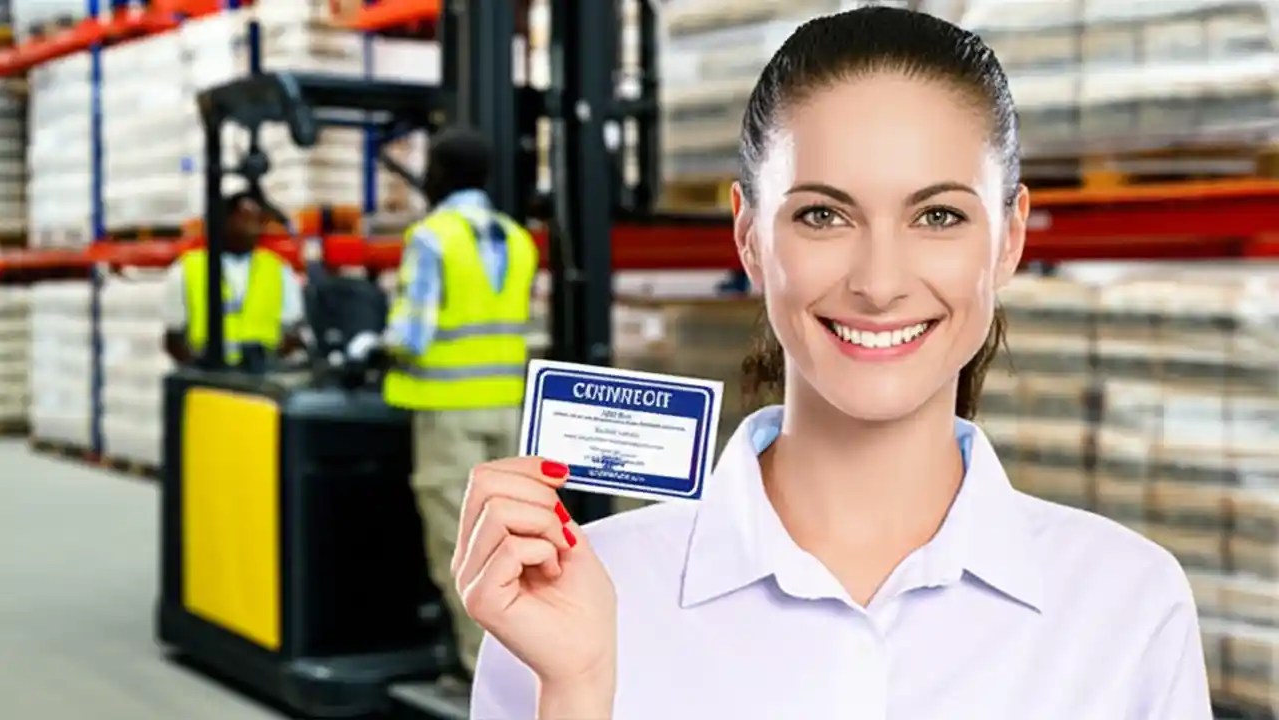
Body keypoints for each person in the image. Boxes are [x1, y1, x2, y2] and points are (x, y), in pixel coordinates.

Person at [456, 8, 1213, 720]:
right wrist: (578, 689)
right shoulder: (577, 602)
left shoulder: (1128, 607)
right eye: (823, 215)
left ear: (1009, 238)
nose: (879, 283)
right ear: (750, 237)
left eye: (938, 216)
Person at [380, 127, 539, 685]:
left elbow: (411, 335)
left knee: (459, 543)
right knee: (511, 544)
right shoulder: (518, 239)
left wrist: (372, 344)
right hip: (507, 409)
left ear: (440, 174)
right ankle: (526, 660)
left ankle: (485, 675)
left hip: (449, 411)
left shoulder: (432, 238)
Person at [162, 191, 305, 366]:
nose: (254, 226)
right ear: (222, 221)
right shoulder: (186, 268)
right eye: (244, 218)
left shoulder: (279, 268)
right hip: (207, 374)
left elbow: (292, 332)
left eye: (257, 219)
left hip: (263, 374)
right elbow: (174, 337)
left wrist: (270, 364)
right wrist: (199, 368)